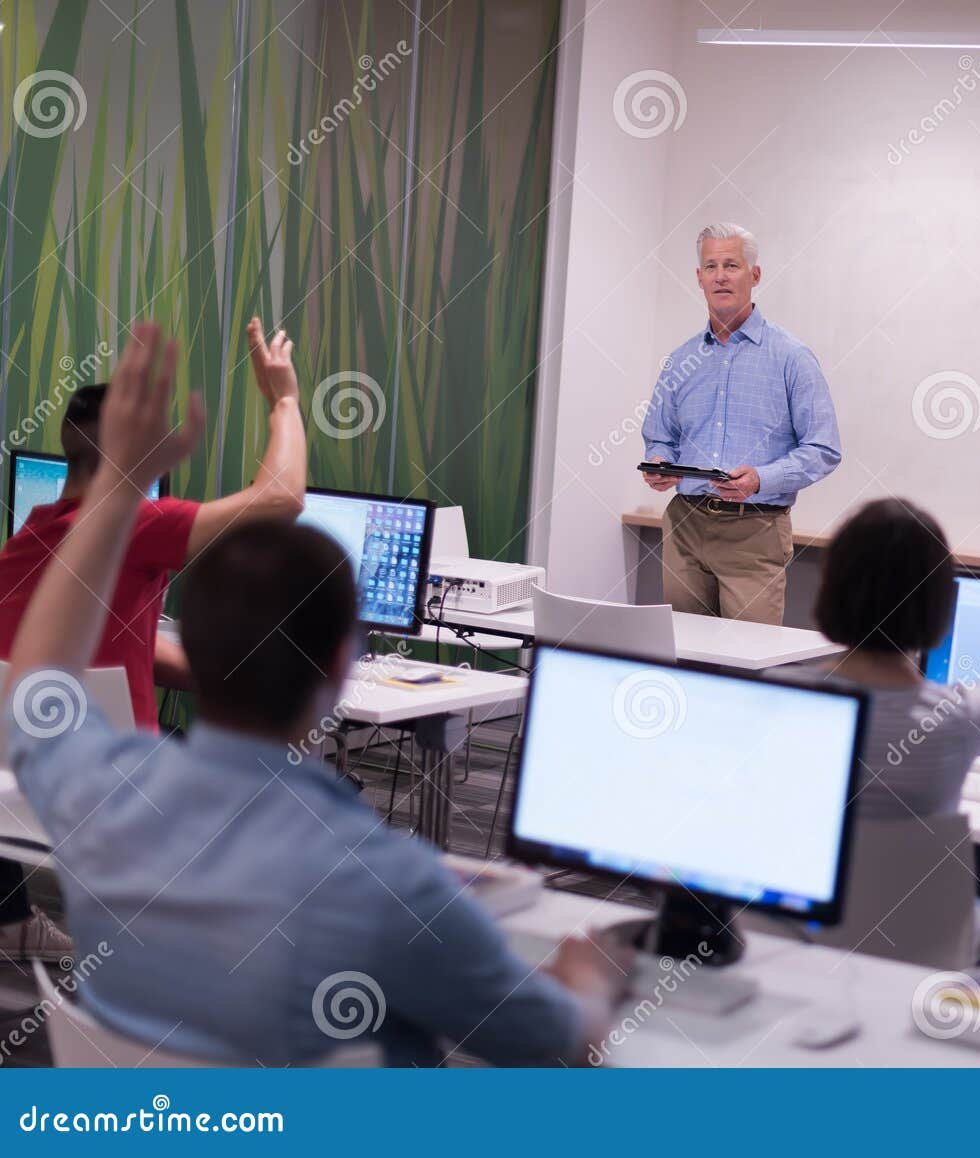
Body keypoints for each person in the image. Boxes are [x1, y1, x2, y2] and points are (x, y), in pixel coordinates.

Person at [4, 324, 626, 1064]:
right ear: (340, 662)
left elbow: (35, 681)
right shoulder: (393, 884)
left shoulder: (94, 796)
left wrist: (116, 485)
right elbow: (559, 1042)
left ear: (193, 644)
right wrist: (590, 979)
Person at [0, 318, 305, 964]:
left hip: (15, 780)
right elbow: (281, 499)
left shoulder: (22, 545)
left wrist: (210, 670)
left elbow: (97, 652)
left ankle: (13, 922)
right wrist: (283, 400)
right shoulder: (138, 524)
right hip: (111, 776)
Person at [807, 440, 980, 968]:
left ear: (830, 585)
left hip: (800, 938)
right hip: (925, 947)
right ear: (940, 605)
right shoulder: (958, 717)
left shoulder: (780, 699)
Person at [641, 223, 842, 625]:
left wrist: (761, 479)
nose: (720, 276)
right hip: (684, 527)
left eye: (731, 265)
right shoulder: (680, 361)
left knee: (749, 656)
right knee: (684, 650)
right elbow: (660, 437)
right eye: (710, 266)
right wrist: (659, 461)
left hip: (755, 530)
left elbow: (824, 449)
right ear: (699, 278)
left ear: (755, 274)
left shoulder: (792, 357)